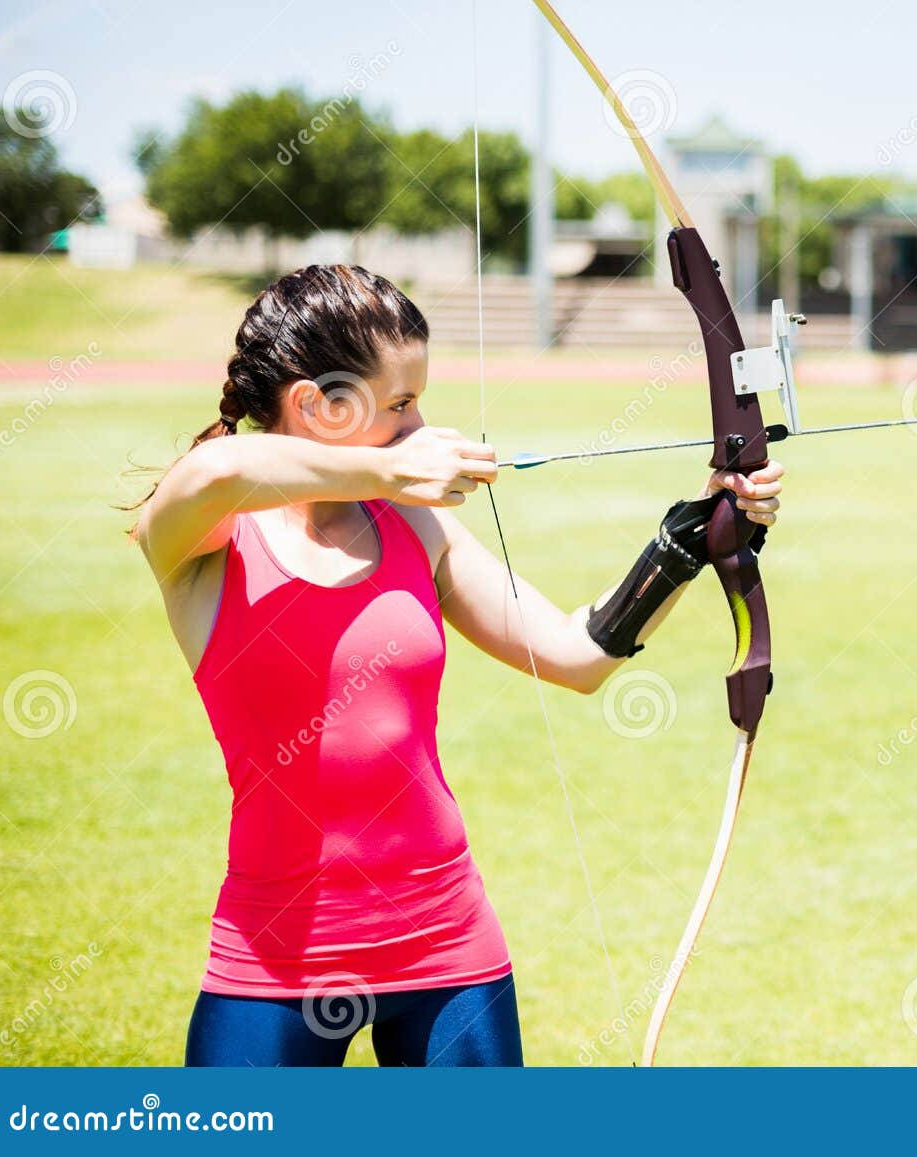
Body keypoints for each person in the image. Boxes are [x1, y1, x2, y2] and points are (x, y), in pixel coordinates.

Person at [130, 265, 783, 1067]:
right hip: (272, 957)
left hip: (446, 942)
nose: (421, 425)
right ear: (312, 406)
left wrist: (685, 545)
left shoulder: (415, 528)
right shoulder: (209, 541)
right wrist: (387, 472)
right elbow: (216, 473)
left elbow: (575, 654)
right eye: (400, 404)